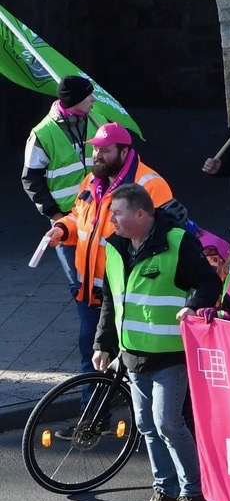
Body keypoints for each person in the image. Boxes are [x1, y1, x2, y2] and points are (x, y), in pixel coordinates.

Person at [95, 183, 221, 501]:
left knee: (168, 423)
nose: (111, 220)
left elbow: (209, 283)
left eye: (117, 213)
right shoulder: (116, 247)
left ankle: (193, 493)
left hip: (170, 353)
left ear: (140, 214)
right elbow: (110, 299)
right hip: (133, 353)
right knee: (147, 426)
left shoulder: (178, 241)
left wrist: (193, 306)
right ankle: (165, 492)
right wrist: (102, 343)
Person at [45, 123, 179, 371]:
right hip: (90, 293)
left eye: (105, 151)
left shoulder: (150, 184)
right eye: (95, 149)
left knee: (124, 363)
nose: (97, 155)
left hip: (127, 293)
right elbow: (79, 216)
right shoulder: (91, 180)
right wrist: (63, 229)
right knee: (91, 356)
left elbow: (162, 236)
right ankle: (94, 397)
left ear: (124, 152)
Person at [20, 74, 107, 220]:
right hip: (66, 215)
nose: (94, 99)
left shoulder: (100, 122)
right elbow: (30, 179)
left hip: (101, 209)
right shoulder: (42, 134)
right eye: (88, 95)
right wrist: (54, 214)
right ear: (75, 99)